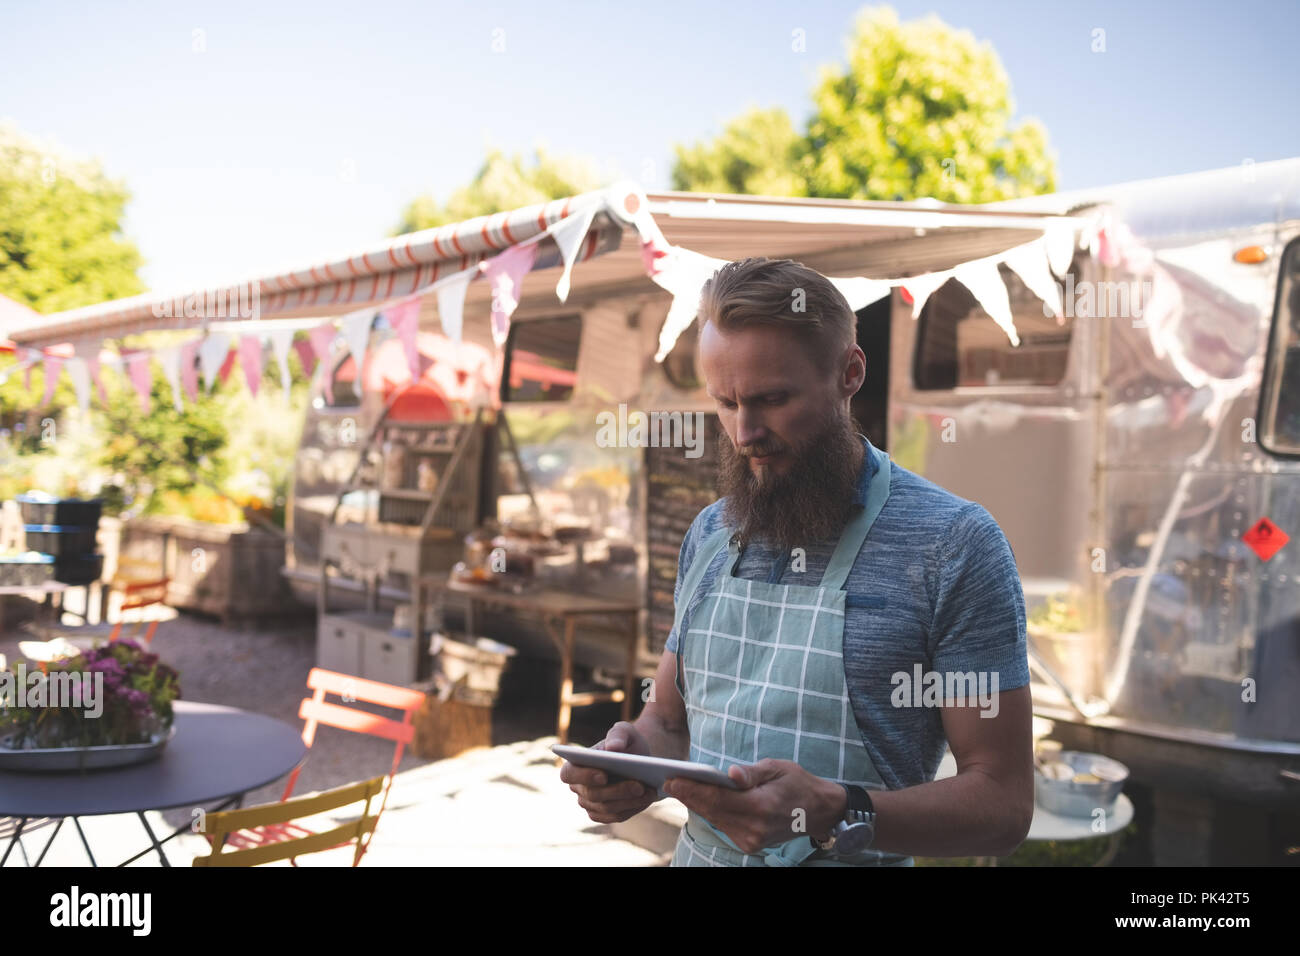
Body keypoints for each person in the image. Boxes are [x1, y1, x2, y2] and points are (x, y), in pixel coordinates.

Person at [561, 257, 1034, 866]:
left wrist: (839, 810)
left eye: (772, 400)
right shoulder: (711, 533)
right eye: (725, 403)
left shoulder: (952, 546)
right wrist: (632, 761)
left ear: (849, 374)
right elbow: (671, 723)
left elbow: (1004, 803)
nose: (745, 432)